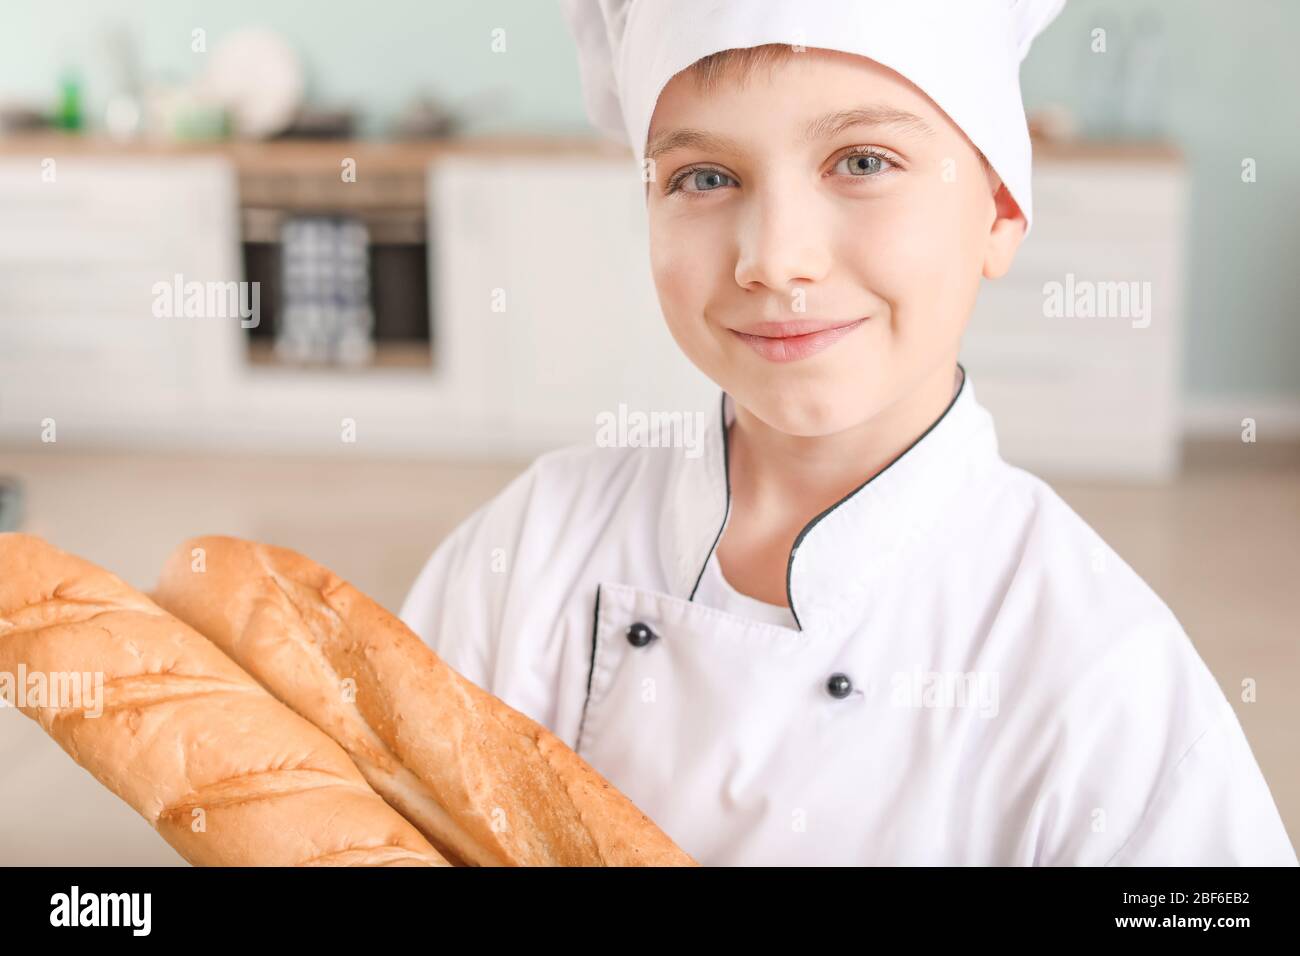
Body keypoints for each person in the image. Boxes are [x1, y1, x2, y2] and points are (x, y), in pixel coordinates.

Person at [399, 0, 1298, 865]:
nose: (774, 258)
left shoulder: (1106, 673)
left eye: (862, 161)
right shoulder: (526, 550)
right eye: (704, 178)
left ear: (1000, 210)